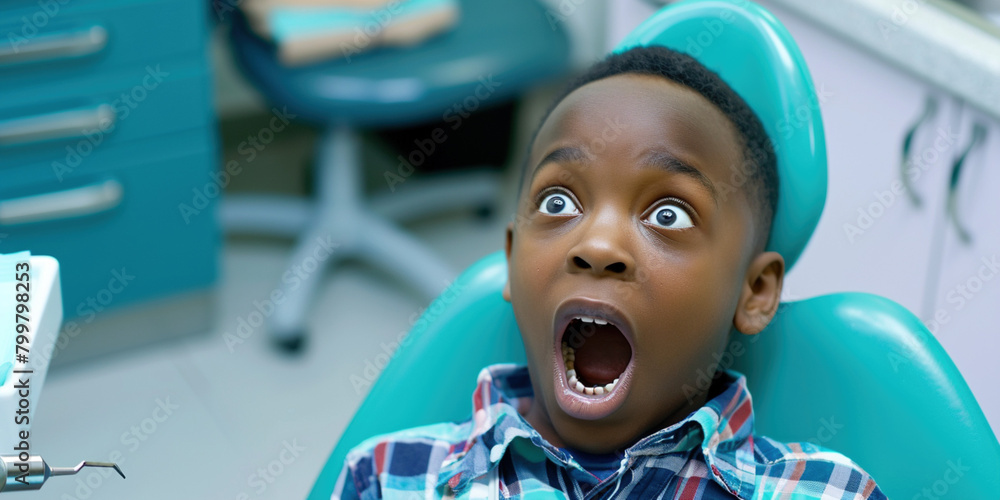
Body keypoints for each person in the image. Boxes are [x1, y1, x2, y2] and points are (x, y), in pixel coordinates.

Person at [332, 45, 886, 499]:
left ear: (755, 291)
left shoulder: (829, 494)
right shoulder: (386, 479)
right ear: (511, 259)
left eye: (667, 215)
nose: (597, 246)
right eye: (558, 203)